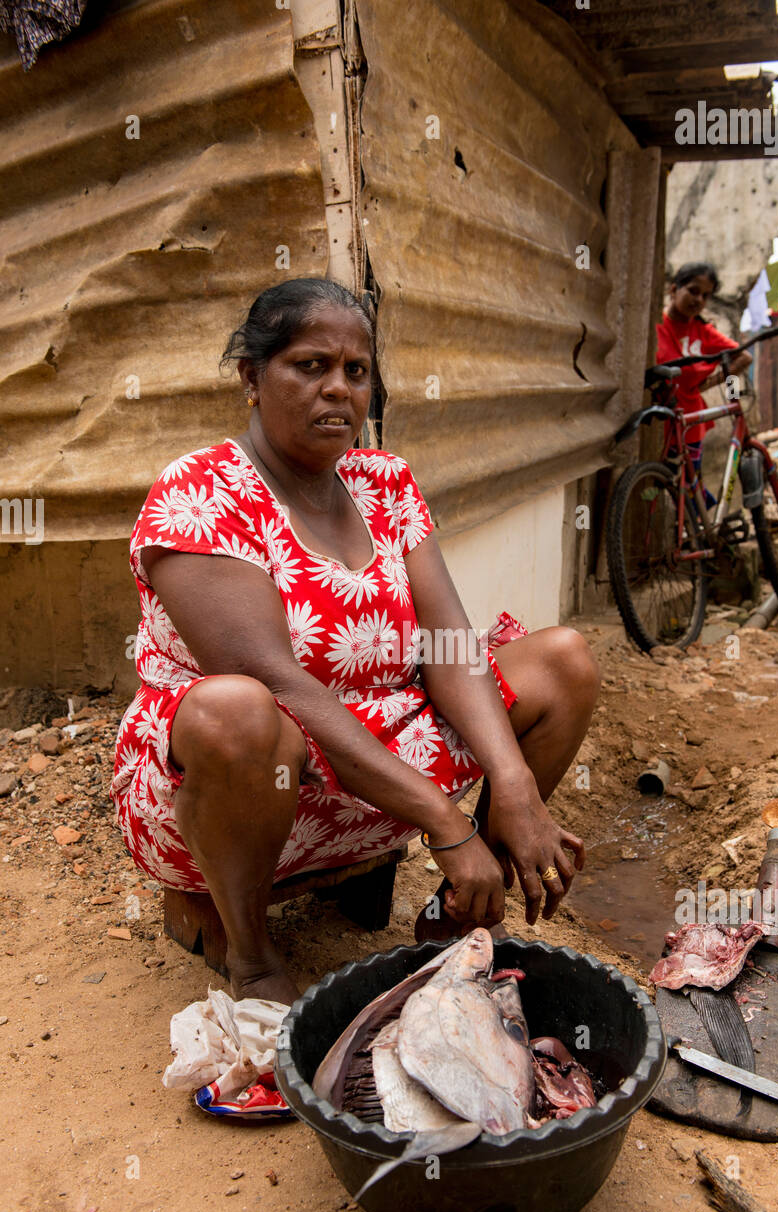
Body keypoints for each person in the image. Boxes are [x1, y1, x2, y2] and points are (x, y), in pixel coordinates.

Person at [110, 278, 600, 1005]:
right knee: (237, 709)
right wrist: (444, 822)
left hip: (375, 772)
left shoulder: (386, 483)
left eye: (355, 371)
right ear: (252, 377)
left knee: (563, 662)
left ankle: (455, 919)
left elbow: (450, 647)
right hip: (250, 776)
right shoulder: (203, 493)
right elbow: (276, 683)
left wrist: (517, 790)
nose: (337, 389)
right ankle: (251, 957)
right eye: (310, 366)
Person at [656, 263, 752, 505]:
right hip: (658, 421)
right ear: (674, 289)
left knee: (688, 489)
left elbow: (742, 357)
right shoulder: (655, 325)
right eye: (693, 290)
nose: (698, 299)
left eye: (705, 296)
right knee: (663, 488)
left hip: (690, 422)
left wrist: (710, 383)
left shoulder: (704, 331)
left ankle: (698, 529)